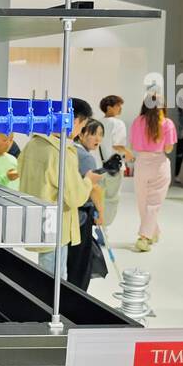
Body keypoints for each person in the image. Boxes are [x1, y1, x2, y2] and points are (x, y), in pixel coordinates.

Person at [17, 98, 93, 279]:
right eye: (82, 126)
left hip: (35, 218)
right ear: (74, 121)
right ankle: (52, 307)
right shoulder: (61, 152)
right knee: (55, 278)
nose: (80, 131)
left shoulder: (33, 144)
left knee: (47, 270)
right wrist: (89, 181)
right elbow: (75, 197)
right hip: (55, 223)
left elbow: (21, 171)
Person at [129, 94, 177, 251]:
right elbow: (169, 148)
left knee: (142, 202)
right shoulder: (167, 123)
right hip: (159, 164)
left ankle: (153, 232)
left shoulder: (137, 121)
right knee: (154, 203)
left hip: (141, 163)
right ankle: (144, 237)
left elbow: (134, 145)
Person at [67, 117, 107, 291]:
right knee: (80, 264)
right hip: (82, 214)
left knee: (69, 260)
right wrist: (101, 213)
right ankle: (77, 297)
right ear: (81, 134)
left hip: (69, 213)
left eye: (100, 135)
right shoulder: (86, 158)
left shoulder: (69, 150)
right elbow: (94, 189)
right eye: (93, 134)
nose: (97, 139)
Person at [96, 95, 131, 227]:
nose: (120, 108)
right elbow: (118, 145)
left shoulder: (98, 123)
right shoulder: (118, 123)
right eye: (118, 105)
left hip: (99, 166)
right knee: (112, 199)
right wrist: (129, 154)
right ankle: (103, 227)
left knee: (98, 197)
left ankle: (97, 224)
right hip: (114, 167)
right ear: (109, 107)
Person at [172, 104, 183, 180]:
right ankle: (171, 174)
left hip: (181, 138)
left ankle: (176, 175)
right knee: (172, 157)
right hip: (172, 139)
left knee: (180, 156)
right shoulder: (172, 114)